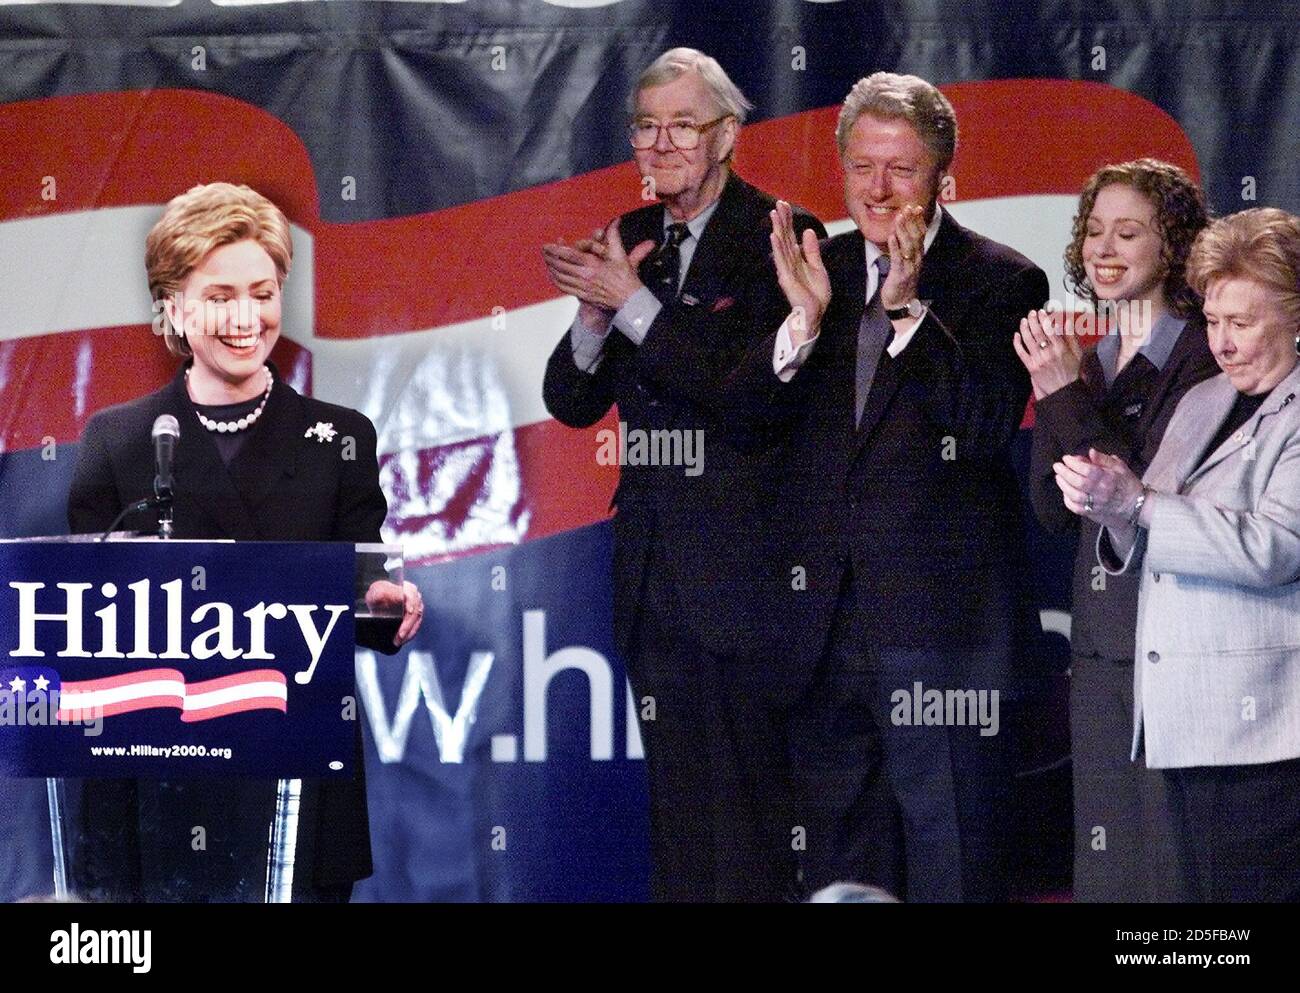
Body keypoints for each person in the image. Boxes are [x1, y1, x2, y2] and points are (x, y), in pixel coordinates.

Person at [710, 72, 1049, 901]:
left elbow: (978, 429)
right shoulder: (806, 269)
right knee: (841, 869)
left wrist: (905, 313)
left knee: (952, 862)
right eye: (862, 167)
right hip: (821, 634)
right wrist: (799, 325)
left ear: (944, 180)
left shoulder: (1000, 281)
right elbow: (739, 425)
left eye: (901, 169)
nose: (878, 189)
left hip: (941, 635)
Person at [66, 182, 423, 903]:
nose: (246, 317)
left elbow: (365, 581)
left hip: (296, 796)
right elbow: (88, 626)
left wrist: (388, 601)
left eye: (263, 292)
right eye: (221, 294)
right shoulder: (118, 439)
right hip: (155, 790)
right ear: (171, 305)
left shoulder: (340, 438)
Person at [541, 47, 825, 901]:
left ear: (729, 134)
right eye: (645, 127)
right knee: (678, 823)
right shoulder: (632, 238)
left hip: (748, 582)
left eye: (682, 126)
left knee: (748, 824)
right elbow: (570, 401)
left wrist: (632, 306)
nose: (660, 144)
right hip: (652, 574)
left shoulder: (784, 233)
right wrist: (595, 317)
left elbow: (745, 397)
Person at [1056, 207, 1300, 902]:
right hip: (1179, 720)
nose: (1221, 342)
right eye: (1214, 320)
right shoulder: (1202, 399)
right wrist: (1112, 511)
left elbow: (1277, 547)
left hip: (1265, 733)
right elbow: (1149, 530)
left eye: (1243, 323)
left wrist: (1139, 506)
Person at [1014, 159, 1218, 901]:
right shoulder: (1087, 360)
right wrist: (1063, 389)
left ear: (1172, 247)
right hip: (1101, 649)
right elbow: (1051, 506)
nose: (1103, 247)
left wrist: (1062, 394)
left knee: (1168, 870)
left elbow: (1143, 495)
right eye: (1094, 230)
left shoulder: (1203, 357)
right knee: (1106, 869)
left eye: (1128, 232)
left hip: (1175, 643)